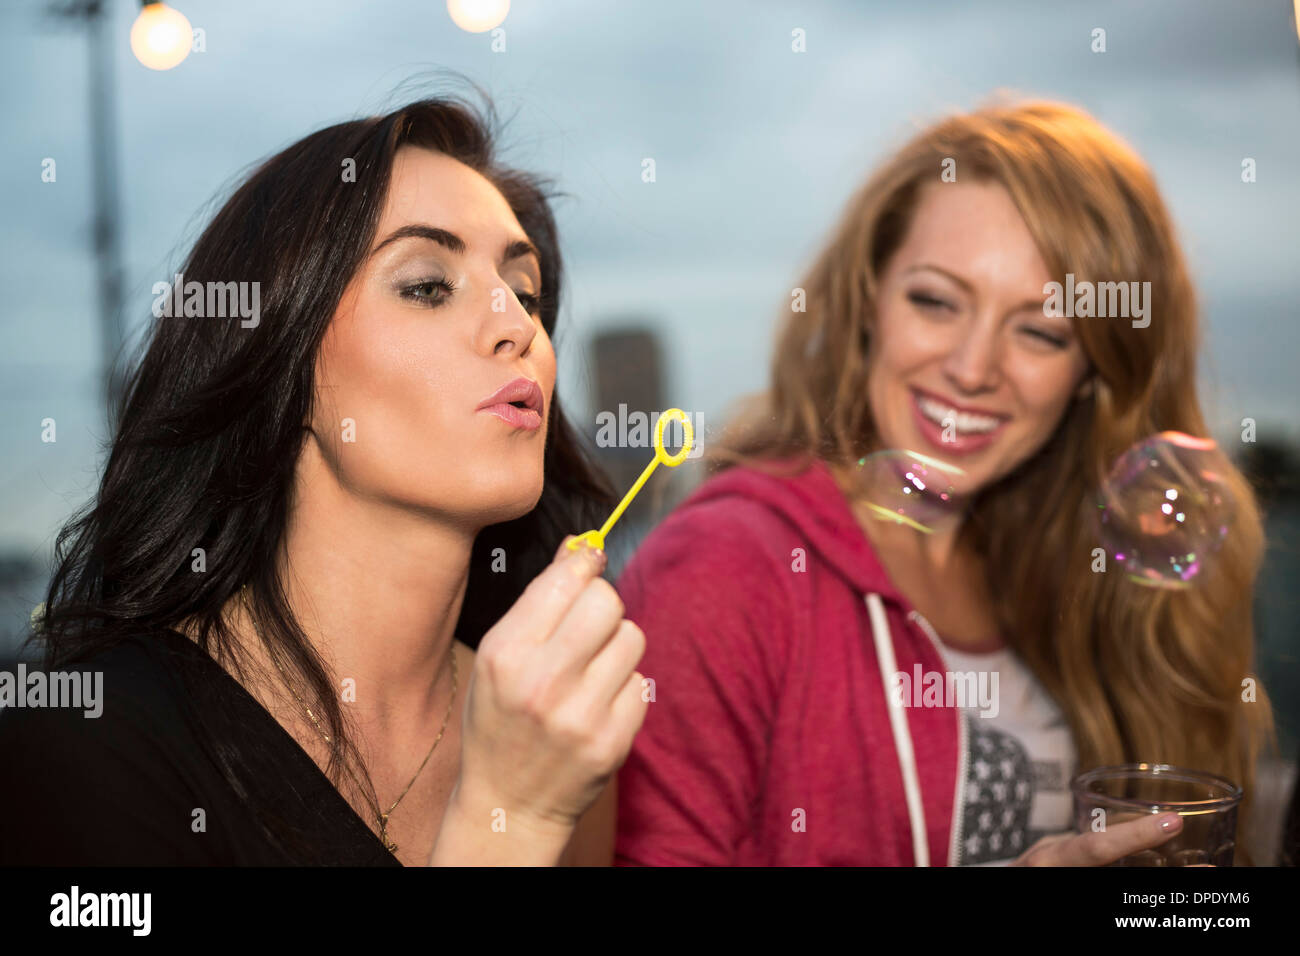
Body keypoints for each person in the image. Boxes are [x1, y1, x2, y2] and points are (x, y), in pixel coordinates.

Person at [613, 100, 1275, 866]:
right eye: (934, 300)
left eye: (1040, 330)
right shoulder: (726, 567)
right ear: (868, 303)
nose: (970, 369)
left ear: (1095, 371)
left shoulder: (1076, 571)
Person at [0, 95, 646, 866]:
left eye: (528, 293)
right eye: (427, 285)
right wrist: (511, 816)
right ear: (284, 363)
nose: (517, 326)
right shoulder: (92, 742)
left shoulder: (561, 726)